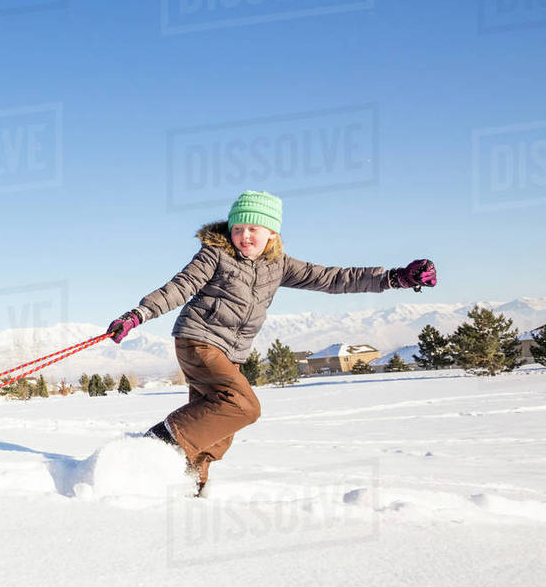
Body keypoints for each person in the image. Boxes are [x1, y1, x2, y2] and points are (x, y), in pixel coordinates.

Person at [105, 191, 437, 494]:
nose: (243, 236)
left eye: (253, 229)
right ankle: (153, 443)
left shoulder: (278, 266)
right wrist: (138, 315)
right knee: (243, 406)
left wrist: (395, 278)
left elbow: (334, 278)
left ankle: (187, 485)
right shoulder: (215, 256)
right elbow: (179, 287)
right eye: (237, 228)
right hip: (198, 340)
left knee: (216, 428)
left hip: (231, 352)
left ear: (271, 233)